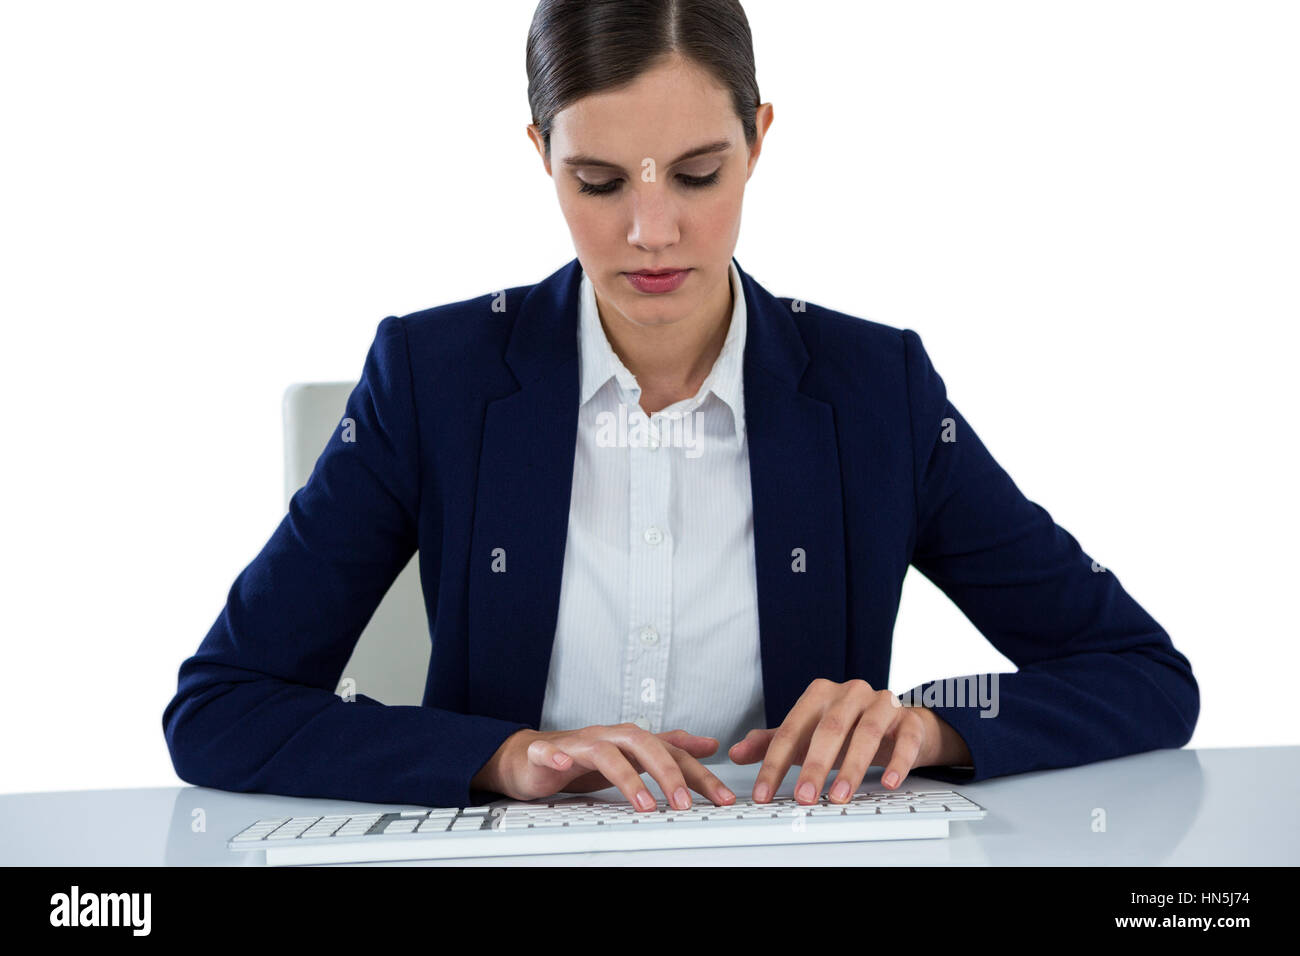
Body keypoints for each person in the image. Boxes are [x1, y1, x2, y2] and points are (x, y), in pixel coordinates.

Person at [162, 0, 1198, 814]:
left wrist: (927, 726)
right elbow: (221, 706)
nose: (651, 230)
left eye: (699, 174)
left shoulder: (873, 388)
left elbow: (1137, 672)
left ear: (758, 138)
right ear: (539, 156)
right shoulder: (433, 377)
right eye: (599, 181)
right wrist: (500, 755)